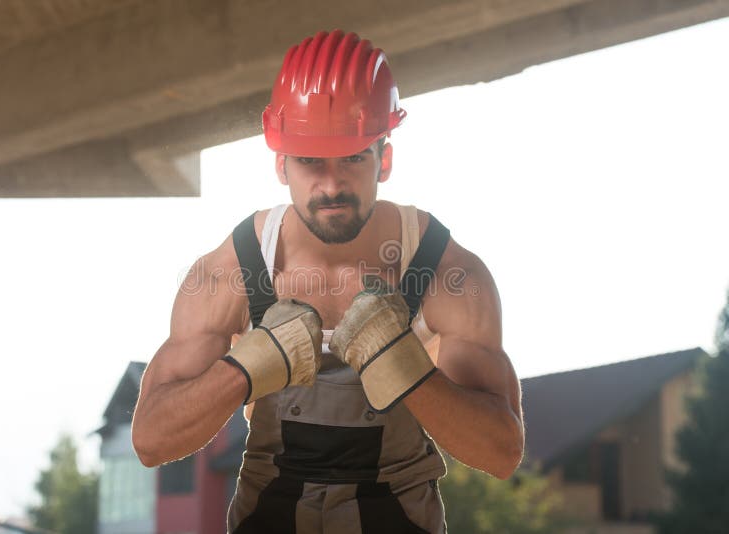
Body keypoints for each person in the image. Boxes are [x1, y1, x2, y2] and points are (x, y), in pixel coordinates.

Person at [131, 29, 524, 533]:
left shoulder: (447, 272)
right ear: (281, 164)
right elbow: (150, 440)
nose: (332, 184)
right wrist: (243, 370)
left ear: (384, 159)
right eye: (310, 161)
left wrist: (409, 374)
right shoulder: (232, 270)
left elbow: (501, 453)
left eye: (353, 157)